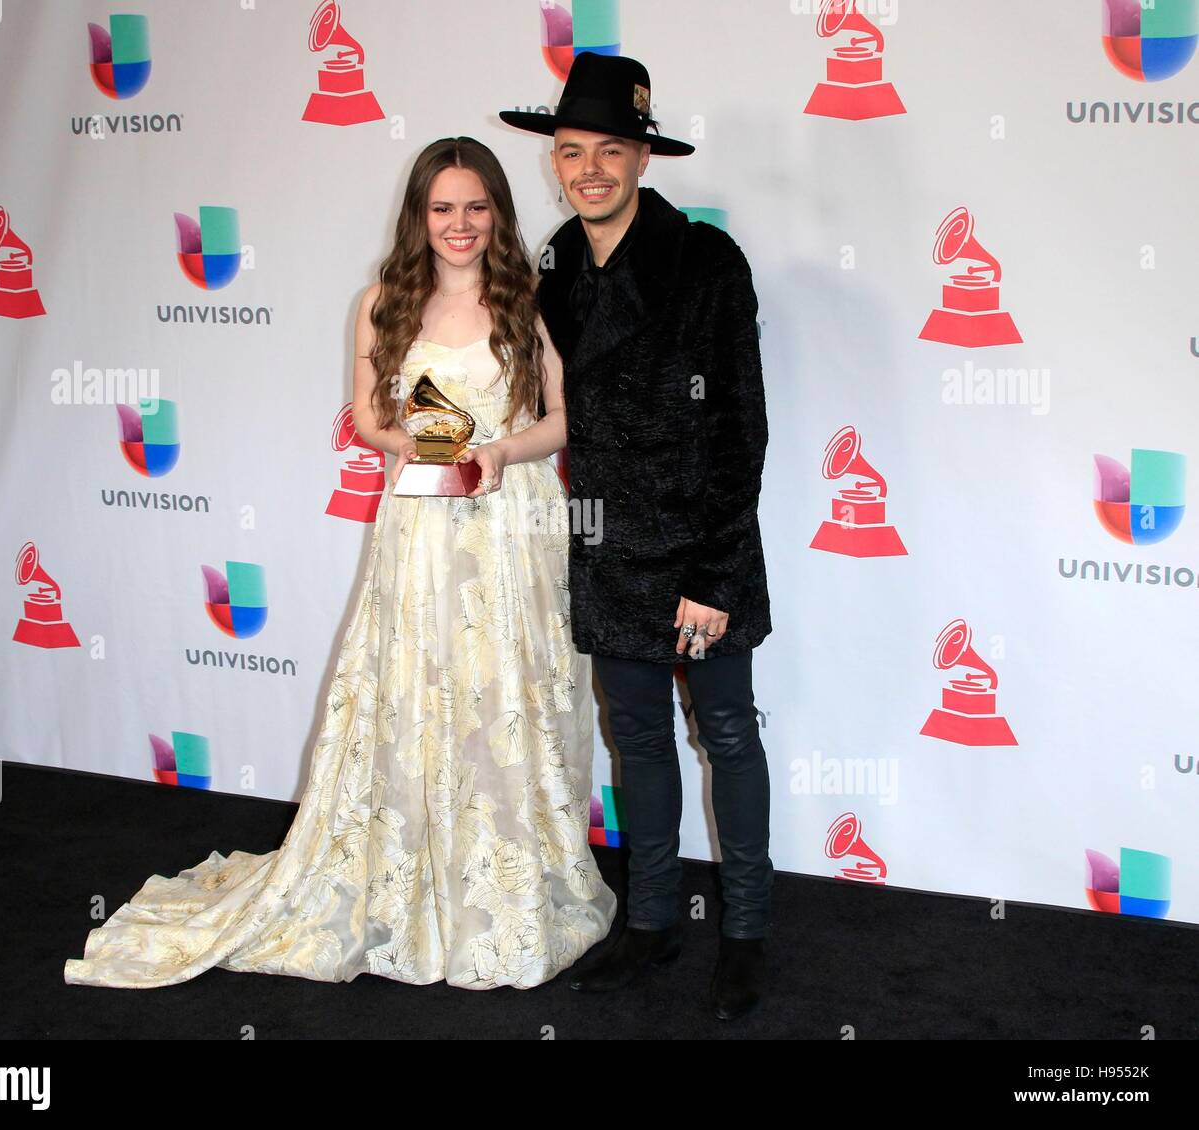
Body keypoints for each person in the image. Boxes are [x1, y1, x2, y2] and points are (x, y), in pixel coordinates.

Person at [63, 137, 616, 991]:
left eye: (475, 208)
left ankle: (506, 883)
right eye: (442, 209)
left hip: (512, 529)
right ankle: (414, 879)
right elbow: (365, 418)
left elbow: (566, 417)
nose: (459, 225)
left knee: (508, 695)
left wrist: (500, 452)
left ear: (498, 213)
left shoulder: (531, 301)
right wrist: (423, 443)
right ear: (418, 216)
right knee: (421, 687)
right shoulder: (382, 303)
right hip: (424, 527)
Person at [500, 53, 774, 1020]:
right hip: (610, 549)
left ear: (642, 159)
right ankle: (651, 921)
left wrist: (715, 574)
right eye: (572, 152)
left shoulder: (706, 262)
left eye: (610, 151)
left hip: (702, 554)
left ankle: (746, 931)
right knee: (640, 743)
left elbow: (742, 429)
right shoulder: (555, 266)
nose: (589, 170)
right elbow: (553, 402)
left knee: (728, 736)